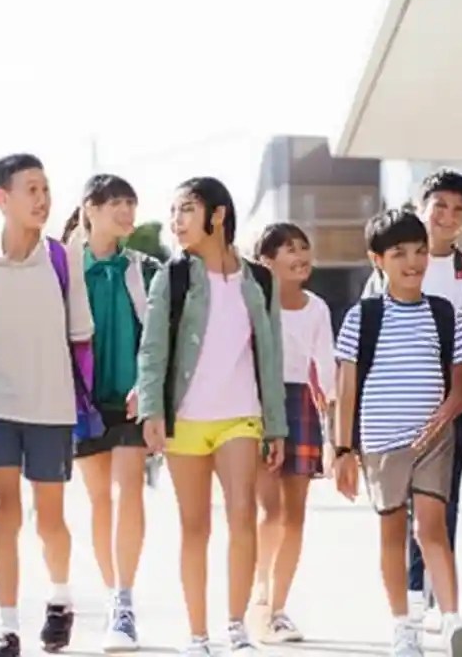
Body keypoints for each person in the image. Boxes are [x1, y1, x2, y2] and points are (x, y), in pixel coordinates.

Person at [138, 176, 287, 657]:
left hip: (240, 417)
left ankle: (237, 626)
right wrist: (151, 410)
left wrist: (276, 425)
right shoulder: (174, 276)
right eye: (174, 211)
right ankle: (198, 634)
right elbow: (153, 349)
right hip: (186, 418)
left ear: (217, 215)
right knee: (194, 526)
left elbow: (272, 356)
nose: (177, 222)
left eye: (187, 210)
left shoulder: (259, 280)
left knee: (243, 517)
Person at [0, 153, 94, 657]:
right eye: (30, 189)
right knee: (3, 510)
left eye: (45, 188)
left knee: (48, 519)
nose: (42, 199)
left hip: (52, 408)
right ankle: (6, 628)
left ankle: (59, 600)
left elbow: (81, 337)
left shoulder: (63, 259)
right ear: (1, 199)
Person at [333, 209, 462, 657]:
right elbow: (346, 390)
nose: (413, 262)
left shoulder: (444, 313)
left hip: (434, 441)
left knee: (432, 529)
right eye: (399, 253)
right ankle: (403, 627)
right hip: (381, 444)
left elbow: (460, 385)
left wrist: (449, 413)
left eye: (419, 251)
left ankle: (453, 620)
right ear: (378, 259)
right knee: (392, 534)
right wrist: (341, 450)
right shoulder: (363, 317)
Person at [363, 169, 462, 636]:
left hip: (446, 406)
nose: (447, 216)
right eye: (440, 206)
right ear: (421, 206)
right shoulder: (386, 270)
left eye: (458, 209)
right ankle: (412, 595)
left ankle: (433, 595)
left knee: (438, 506)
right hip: (392, 411)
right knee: (398, 511)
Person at [59, 173, 159, 652]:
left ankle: (124, 602)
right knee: (100, 500)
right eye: (116, 202)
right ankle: (110, 595)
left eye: (131, 203)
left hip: (131, 399)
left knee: (130, 489)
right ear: (89, 209)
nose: (126, 212)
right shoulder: (62, 268)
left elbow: (159, 338)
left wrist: (150, 385)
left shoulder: (144, 269)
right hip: (81, 400)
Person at [248, 222, 335, 644]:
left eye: (304, 247)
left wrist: (339, 435)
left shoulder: (317, 307)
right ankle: (259, 591)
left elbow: (327, 369)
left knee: (295, 514)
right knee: (271, 512)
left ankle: (279, 607)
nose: (300, 255)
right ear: (266, 261)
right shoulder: (254, 303)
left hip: (301, 403)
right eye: (289, 249)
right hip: (259, 403)